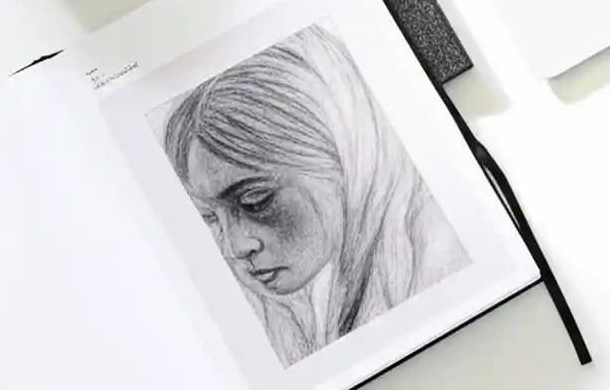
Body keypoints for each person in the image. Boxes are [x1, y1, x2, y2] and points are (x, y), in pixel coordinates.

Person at [157, 23, 469, 366]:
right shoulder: (279, 322)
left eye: (255, 202)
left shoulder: (443, 255)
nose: (235, 247)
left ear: (342, 158)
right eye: (210, 218)